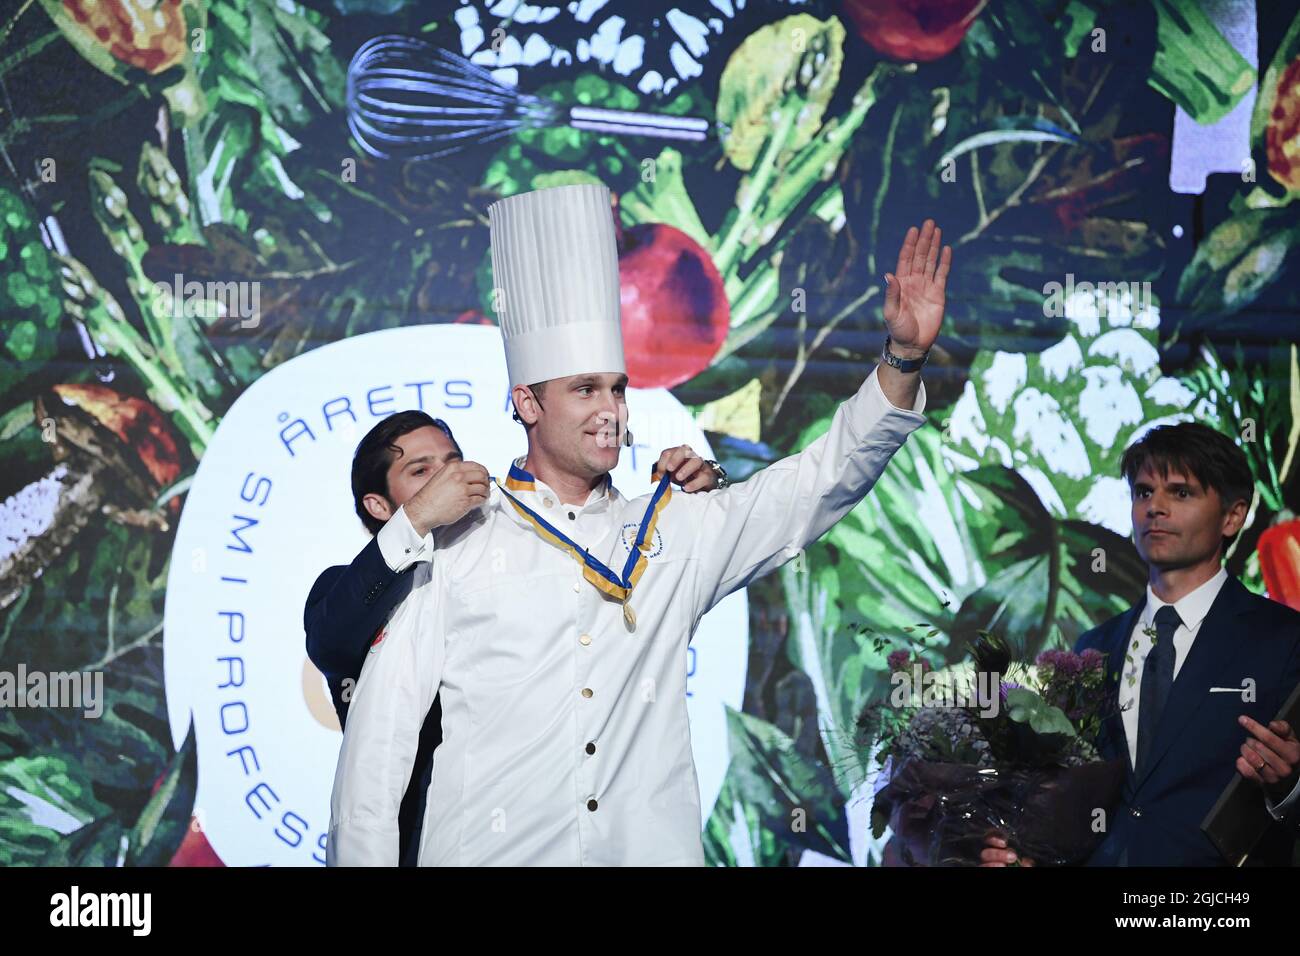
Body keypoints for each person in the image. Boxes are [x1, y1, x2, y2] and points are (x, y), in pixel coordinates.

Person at [327, 182, 948, 866]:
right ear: (526, 403)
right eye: (585, 390)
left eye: (618, 389)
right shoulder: (457, 546)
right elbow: (376, 755)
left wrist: (901, 360)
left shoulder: (671, 533)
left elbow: (816, 485)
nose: (610, 410)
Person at [306, 410, 724, 865]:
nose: (447, 477)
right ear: (379, 506)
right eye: (421, 471)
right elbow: (335, 638)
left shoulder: (507, 564)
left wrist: (696, 501)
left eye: (453, 461)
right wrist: (420, 517)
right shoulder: (344, 587)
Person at [981, 422, 1300, 866]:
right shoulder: (1093, 649)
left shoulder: (1284, 640)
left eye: (1181, 493)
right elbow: (1078, 798)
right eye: (1144, 492)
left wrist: (1289, 788)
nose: (1156, 508)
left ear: (1233, 516)